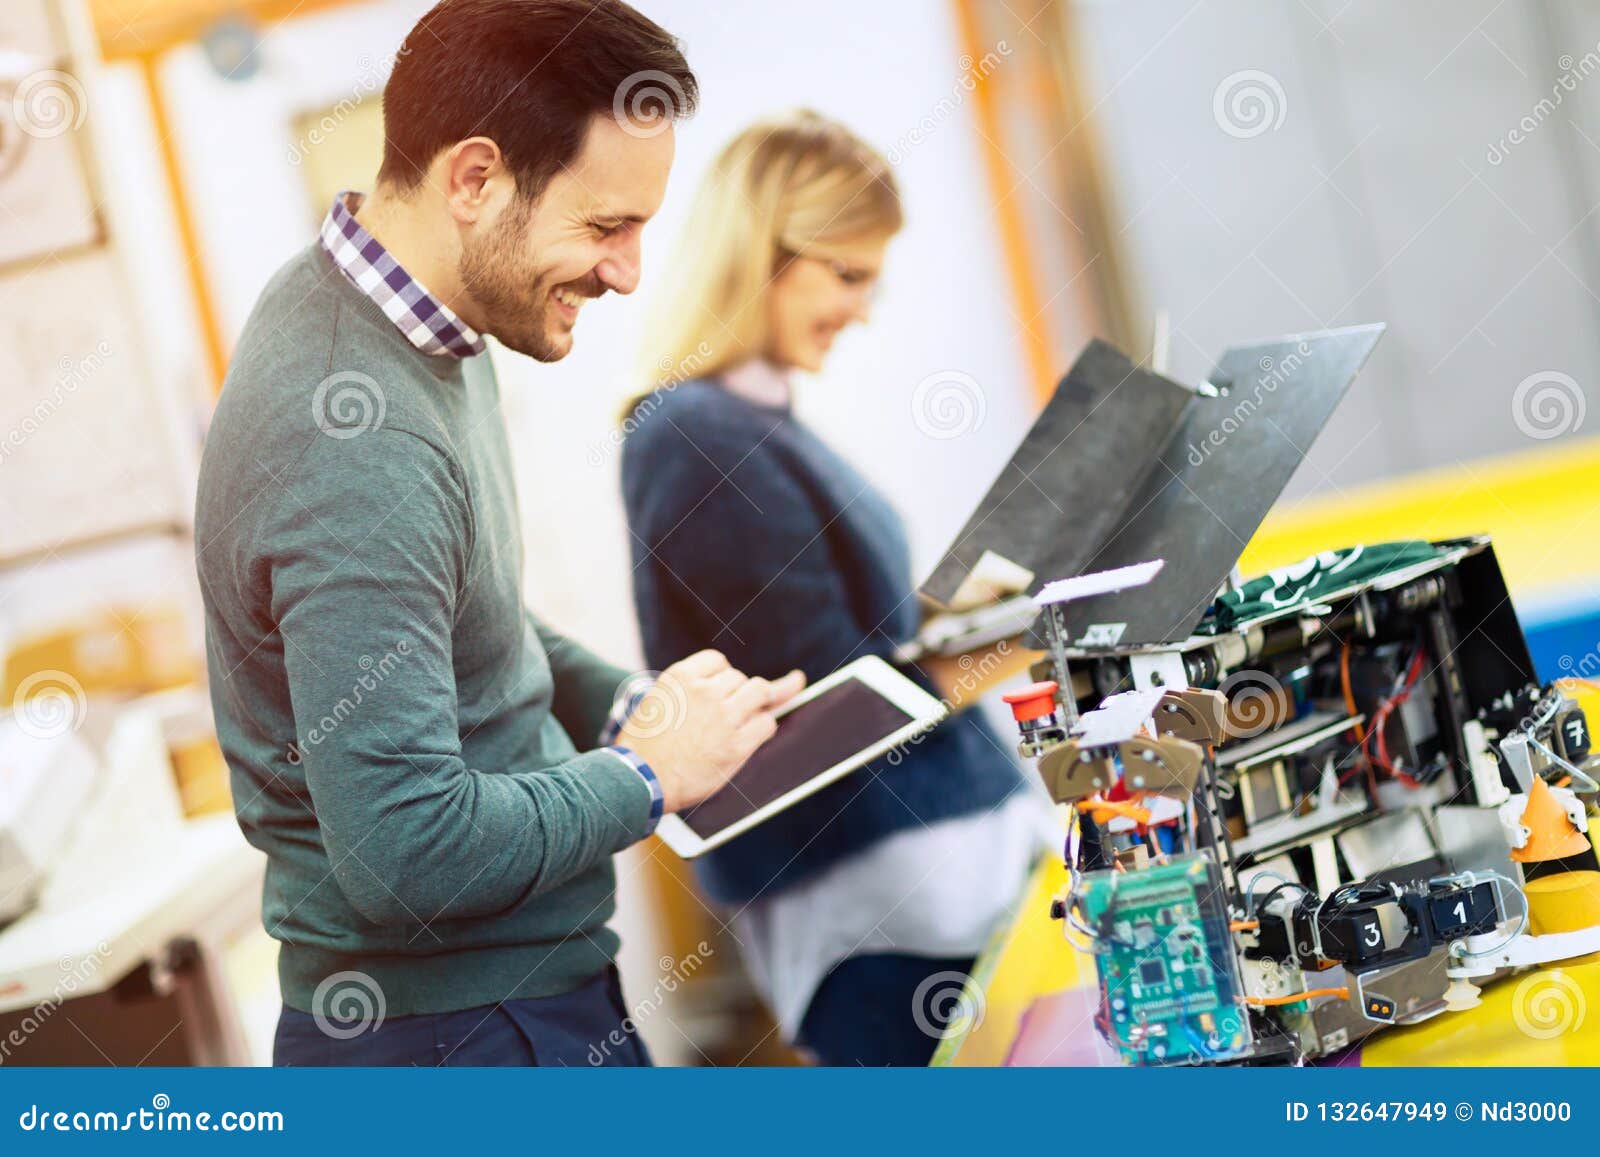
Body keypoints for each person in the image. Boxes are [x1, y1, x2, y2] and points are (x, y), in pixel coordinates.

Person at [194, 0, 804, 1067]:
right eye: (605, 226)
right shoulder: (348, 433)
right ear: (473, 180)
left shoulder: (416, 325)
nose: (628, 272)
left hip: (505, 1008)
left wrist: (633, 708)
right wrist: (648, 776)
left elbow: (463, 615)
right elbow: (404, 850)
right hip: (451, 1039)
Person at [621, 111, 1056, 1066]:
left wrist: (974, 617)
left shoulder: (760, 425)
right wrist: (1022, 635)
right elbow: (835, 701)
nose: (861, 310)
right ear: (760, 256)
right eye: (847, 276)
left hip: (937, 878)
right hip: (882, 906)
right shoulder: (694, 436)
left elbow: (861, 637)